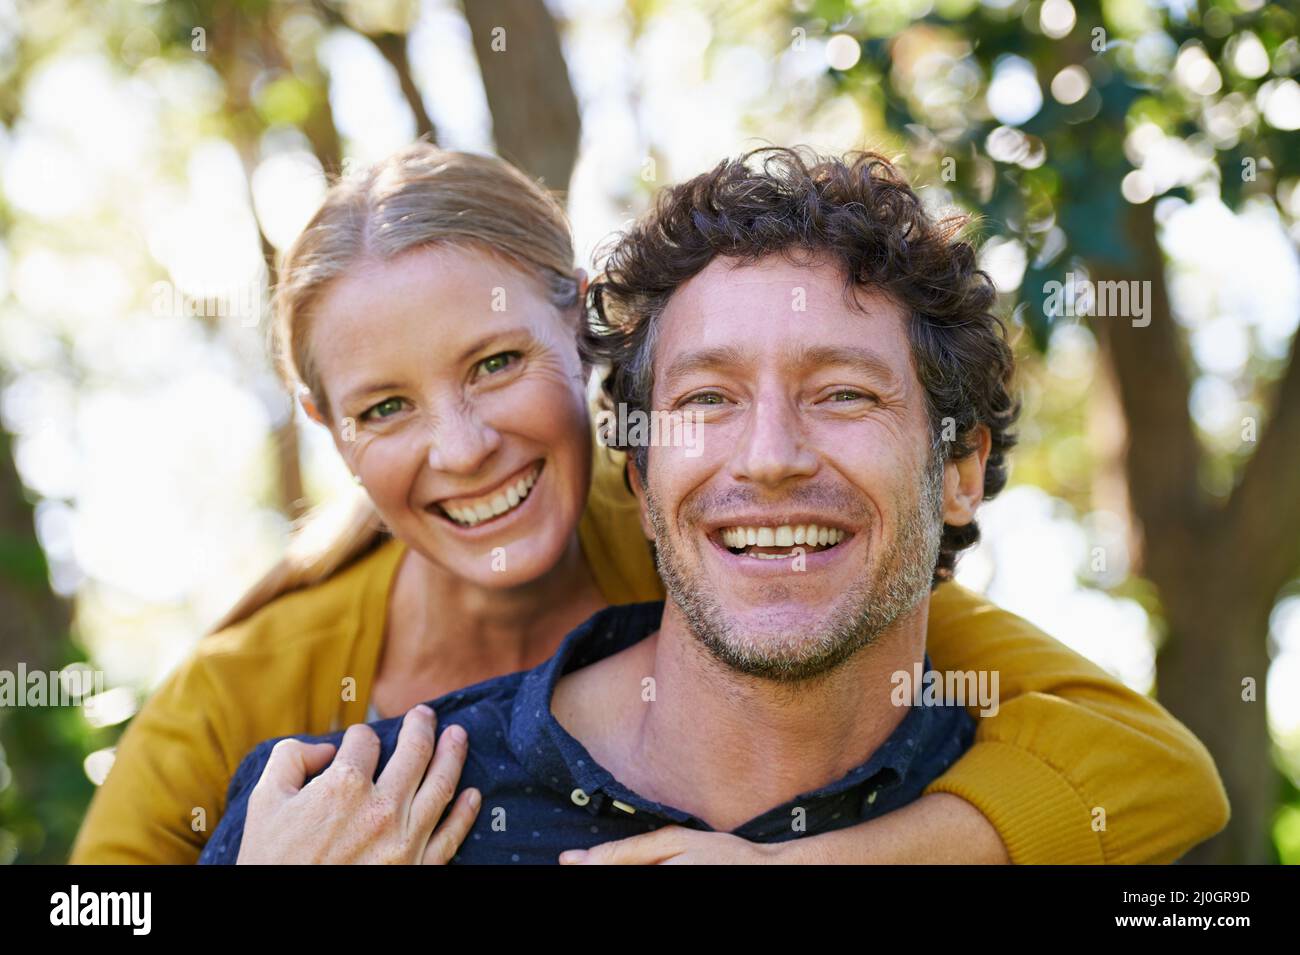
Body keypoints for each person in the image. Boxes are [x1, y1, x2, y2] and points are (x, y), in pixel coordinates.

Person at [194, 147, 1227, 865]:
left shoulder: (1046, 821)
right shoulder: (342, 811)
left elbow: (1175, 777)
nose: (769, 458)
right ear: (636, 475)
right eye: (706, 400)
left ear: (959, 469)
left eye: (842, 393)